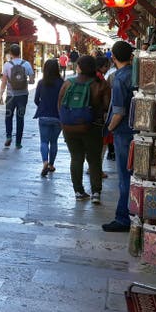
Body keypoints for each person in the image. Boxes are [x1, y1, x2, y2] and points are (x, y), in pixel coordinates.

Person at [58, 55, 110, 203]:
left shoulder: (68, 83)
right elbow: (107, 106)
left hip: (70, 128)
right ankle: (96, 193)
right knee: (94, 160)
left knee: (76, 157)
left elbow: (60, 104)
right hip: (92, 127)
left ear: (79, 67)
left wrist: (65, 122)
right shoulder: (101, 84)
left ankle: (79, 191)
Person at [102, 41, 136, 232]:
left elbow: (118, 112)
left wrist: (109, 129)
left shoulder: (119, 78)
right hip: (139, 130)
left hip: (123, 132)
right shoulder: (136, 73)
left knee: (125, 176)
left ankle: (123, 218)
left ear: (113, 57)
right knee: (134, 174)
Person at [0, 44, 34, 148]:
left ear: (10, 54)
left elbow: (4, 82)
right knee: (20, 118)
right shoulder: (26, 64)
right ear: (20, 52)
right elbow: (32, 80)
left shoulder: (7, 65)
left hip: (10, 95)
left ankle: (9, 136)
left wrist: (1, 95)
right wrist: (25, 80)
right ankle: (18, 143)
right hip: (23, 95)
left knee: (8, 116)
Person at [34, 59, 63, 177]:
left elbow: (36, 100)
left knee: (44, 141)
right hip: (58, 117)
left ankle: (45, 161)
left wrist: (43, 106)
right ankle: (51, 164)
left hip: (44, 116)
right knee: (54, 142)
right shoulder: (62, 83)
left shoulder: (41, 83)